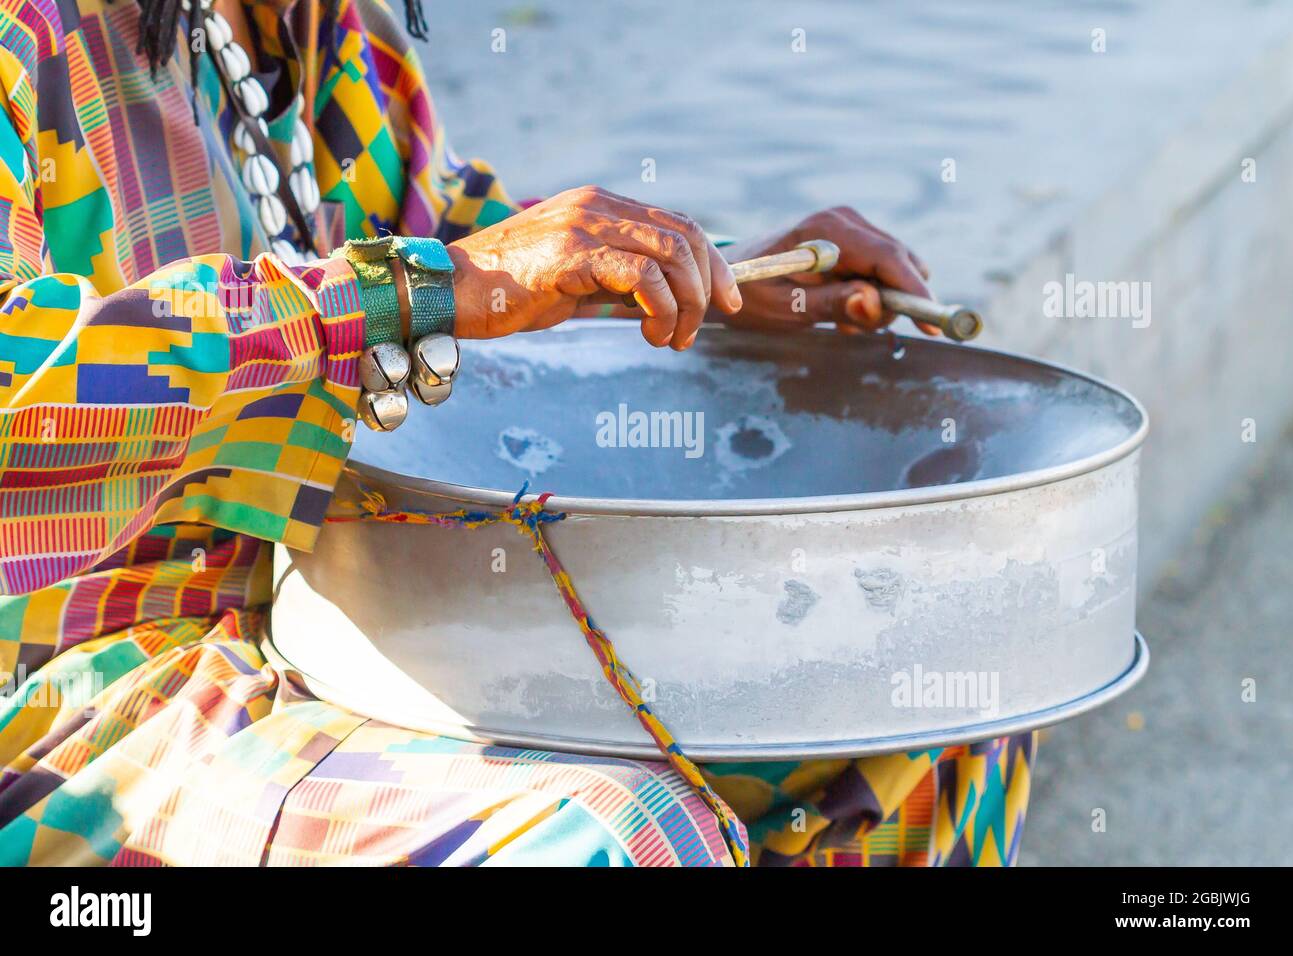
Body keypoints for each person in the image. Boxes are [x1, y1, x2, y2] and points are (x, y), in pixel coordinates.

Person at [0, 0, 1033, 866]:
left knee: (922, 710)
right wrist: (424, 290)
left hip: (366, 617)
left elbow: (452, 241)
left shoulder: (307, 20)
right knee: (617, 837)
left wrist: (708, 281)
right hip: (91, 696)